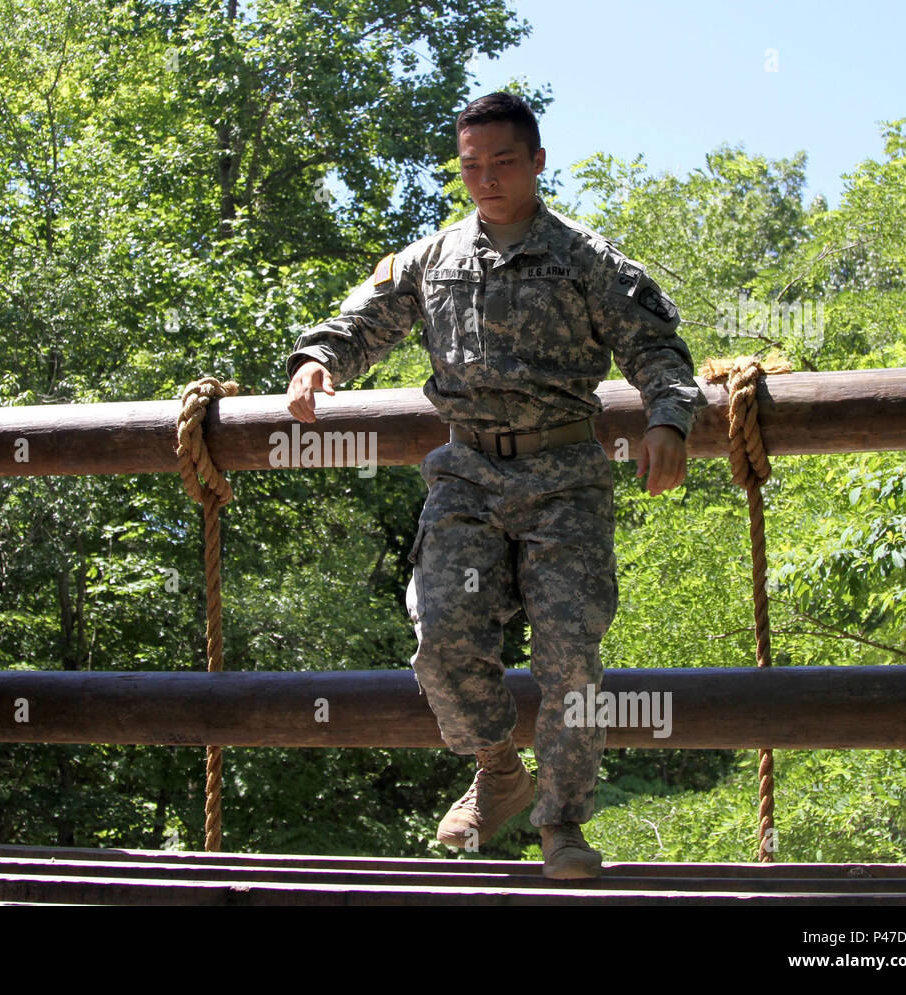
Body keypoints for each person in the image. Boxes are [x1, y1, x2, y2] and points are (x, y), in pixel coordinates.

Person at [285, 92, 706, 878]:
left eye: (502, 162)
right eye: (471, 165)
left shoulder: (588, 259)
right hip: (467, 472)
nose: (485, 178)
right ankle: (497, 767)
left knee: (569, 659)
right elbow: (360, 321)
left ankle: (564, 825)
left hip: (565, 479)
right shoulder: (433, 258)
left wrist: (669, 421)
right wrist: (318, 362)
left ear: (538, 161)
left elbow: (660, 352)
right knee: (440, 636)